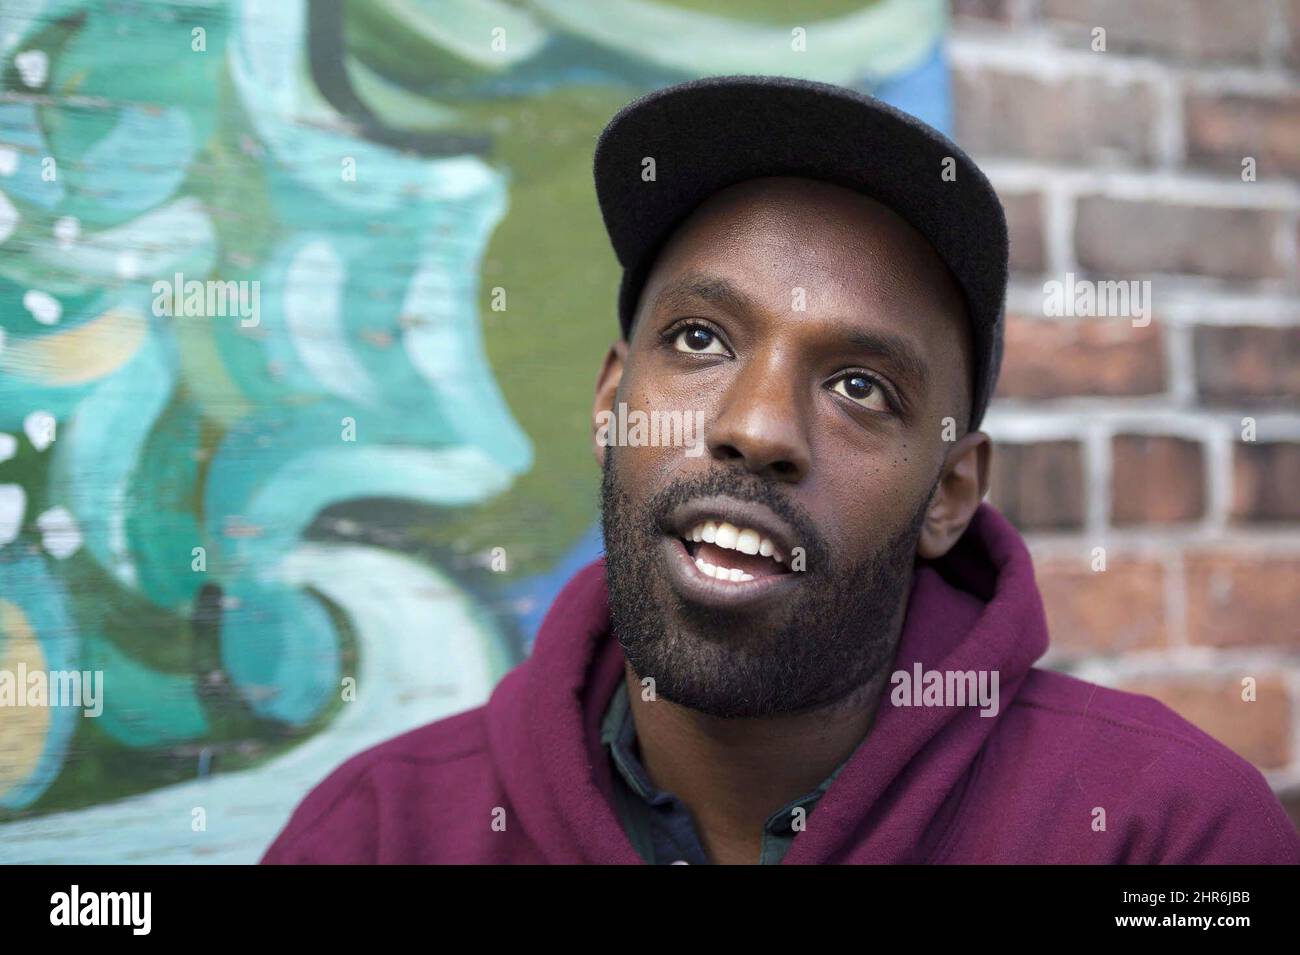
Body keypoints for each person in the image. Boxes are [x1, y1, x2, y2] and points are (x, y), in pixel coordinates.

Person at [262, 76, 1300, 864]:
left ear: (949, 494)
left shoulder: (1164, 833)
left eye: (860, 387)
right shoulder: (379, 833)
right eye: (703, 339)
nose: (757, 427)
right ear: (608, 402)